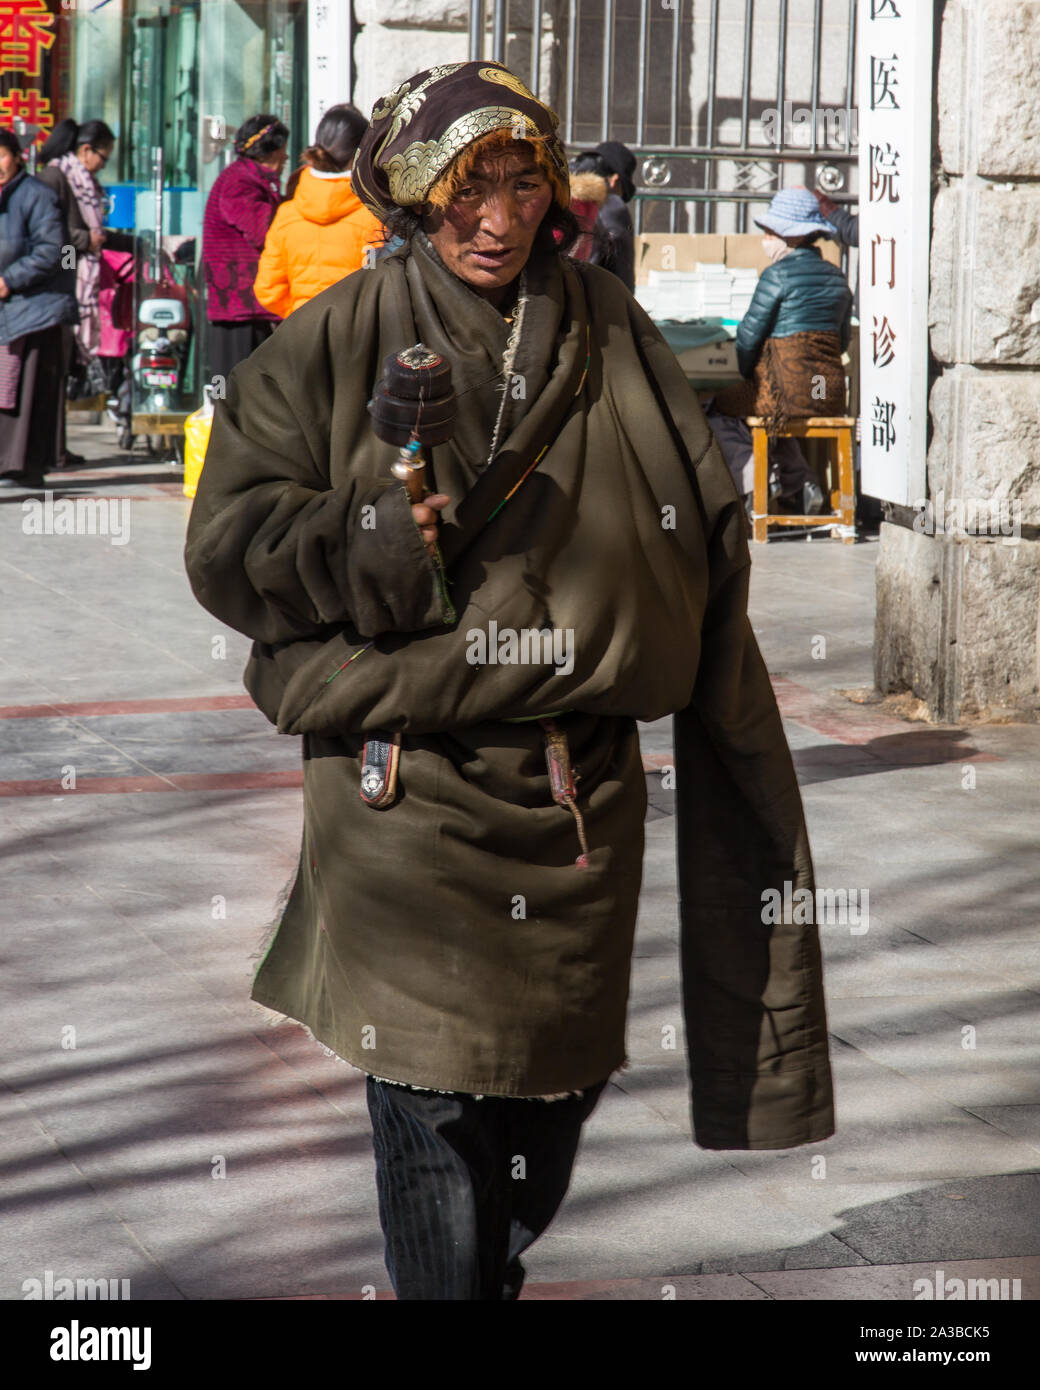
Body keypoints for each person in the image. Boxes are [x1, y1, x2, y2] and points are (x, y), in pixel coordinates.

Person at [184, 62, 833, 1301]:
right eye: (465, 188)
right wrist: (369, 538)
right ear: (418, 196)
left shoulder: (606, 324)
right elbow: (228, 547)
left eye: (518, 180)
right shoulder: (337, 340)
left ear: (550, 187)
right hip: (404, 790)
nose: (495, 217)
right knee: (428, 1101)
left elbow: (702, 521)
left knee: (552, 1090)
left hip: (573, 793)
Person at [707, 187, 853, 518]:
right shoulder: (837, 278)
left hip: (783, 393)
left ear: (787, 235)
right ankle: (801, 483)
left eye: (769, 232)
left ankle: (756, 481)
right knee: (776, 415)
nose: (766, 238)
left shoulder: (777, 275)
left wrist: (747, 376)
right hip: (827, 393)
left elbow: (748, 337)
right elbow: (840, 343)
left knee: (718, 410)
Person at [36, 117, 132, 464]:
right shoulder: (57, 178)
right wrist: (78, 251)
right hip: (63, 278)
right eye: (103, 158)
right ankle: (50, 448)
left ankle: (56, 447)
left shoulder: (82, 182)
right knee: (57, 365)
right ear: (86, 150)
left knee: (64, 366)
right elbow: (53, 235)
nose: (103, 166)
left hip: (73, 274)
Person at [253, 104, 383, 320]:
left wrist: (299, 312)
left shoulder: (287, 214)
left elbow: (268, 290)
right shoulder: (374, 215)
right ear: (361, 153)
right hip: (357, 335)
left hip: (302, 335)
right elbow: (382, 284)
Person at [0, 128, 78, 489]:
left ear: (17, 157)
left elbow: (53, 250)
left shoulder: (37, 195)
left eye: (2, 156)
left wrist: (10, 279)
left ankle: (22, 466)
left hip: (35, 306)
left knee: (25, 390)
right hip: (11, 307)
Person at [201, 114, 288, 383]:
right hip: (238, 303)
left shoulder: (252, 179)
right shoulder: (239, 183)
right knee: (233, 388)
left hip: (248, 302)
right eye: (283, 152)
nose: (286, 158)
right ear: (268, 152)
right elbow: (265, 231)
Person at [571, 140, 636, 290]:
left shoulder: (555, 193)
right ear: (614, 181)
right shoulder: (612, 206)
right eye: (623, 193)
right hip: (589, 305)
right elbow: (622, 281)